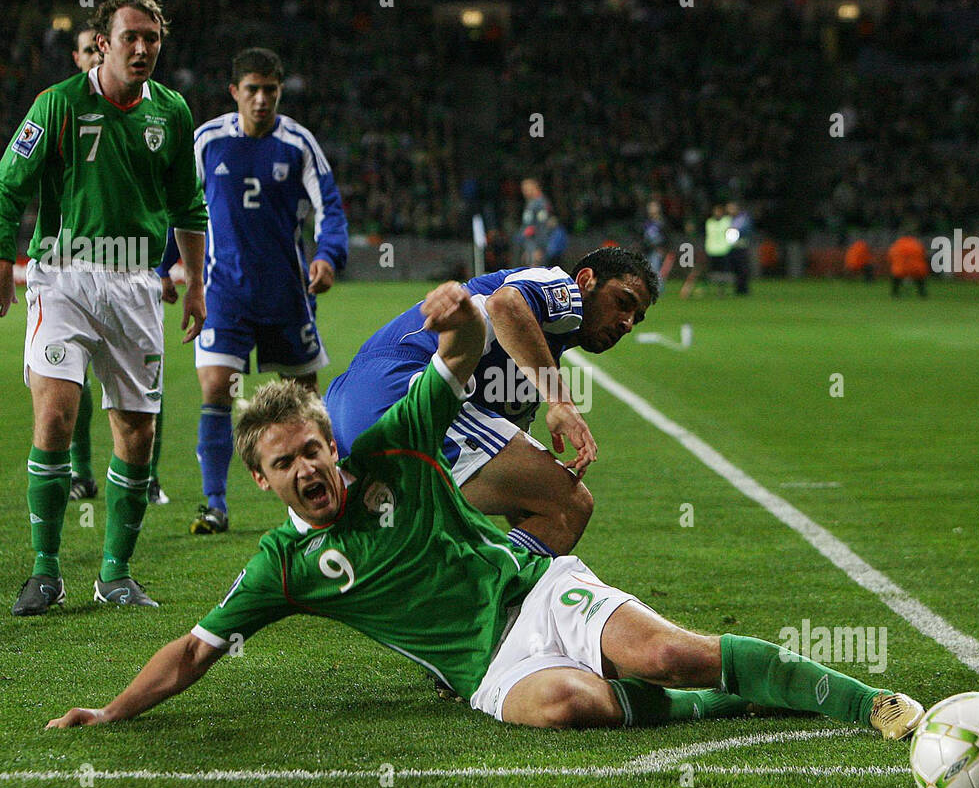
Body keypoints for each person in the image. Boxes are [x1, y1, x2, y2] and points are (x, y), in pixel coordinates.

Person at [46, 282, 924, 738]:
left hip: (531, 592)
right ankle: (729, 703)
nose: (311, 467)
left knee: (667, 651)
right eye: (287, 463)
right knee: (571, 707)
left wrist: (455, 315)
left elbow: (458, 355)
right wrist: (113, 710)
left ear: (328, 442)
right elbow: (194, 650)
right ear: (265, 482)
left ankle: (864, 703)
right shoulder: (283, 566)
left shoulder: (396, 443)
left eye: (315, 447)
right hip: (484, 669)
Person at [0, 0, 208, 615]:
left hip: (135, 283)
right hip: (63, 278)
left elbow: (188, 204)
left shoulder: (173, 111)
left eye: (151, 38)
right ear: (101, 43)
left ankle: (114, 574)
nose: (142, 48)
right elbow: (7, 185)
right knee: (55, 417)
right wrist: (0, 263)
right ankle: (45, 571)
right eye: (130, 37)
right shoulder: (56, 105)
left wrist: (196, 281)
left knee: (136, 433)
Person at [325, 246, 655, 558]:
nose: (626, 323)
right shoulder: (561, 288)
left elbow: (523, 500)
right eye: (622, 302)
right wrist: (562, 402)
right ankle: (490, 595)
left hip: (348, 405)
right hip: (399, 387)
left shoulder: (525, 367)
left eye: (636, 318)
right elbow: (506, 305)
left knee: (546, 509)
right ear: (586, 280)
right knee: (570, 506)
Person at [184, 47, 348, 536]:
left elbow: (330, 208)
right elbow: (181, 212)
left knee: (305, 401)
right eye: (251, 90)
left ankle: (323, 498)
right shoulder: (207, 141)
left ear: (279, 91)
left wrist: (328, 255)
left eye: (270, 91)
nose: (261, 100)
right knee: (216, 388)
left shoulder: (298, 143)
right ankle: (215, 503)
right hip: (224, 293)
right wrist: (165, 270)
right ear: (235, 91)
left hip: (286, 295)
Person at [65, 25, 173, 507]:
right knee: (72, 381)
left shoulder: (160, 113)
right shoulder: (64, 108)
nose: (94, 56)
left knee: (145, 381)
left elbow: (173, 200)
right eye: (87, 50)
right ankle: (80, 470)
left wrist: (166, 266)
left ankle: (144, 474)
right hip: (72, 271)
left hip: (135, 272)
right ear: (81, 56)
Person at [680, 203, 732, 299]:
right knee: (706, 272)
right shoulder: (709, 222)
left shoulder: (727, 221)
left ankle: (720, 291)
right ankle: (702, 289)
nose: (717, 213)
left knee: (721, 273)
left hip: (723, 250)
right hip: (711, 250)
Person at [517, 178, 552, 265]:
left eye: (527, 189)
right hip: (530, 247)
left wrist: (540, 249)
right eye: (523, 190)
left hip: (536, 247)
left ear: (534, 188)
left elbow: (542, 226)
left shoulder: (540, 203)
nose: (524, 192)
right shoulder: (530, 203)